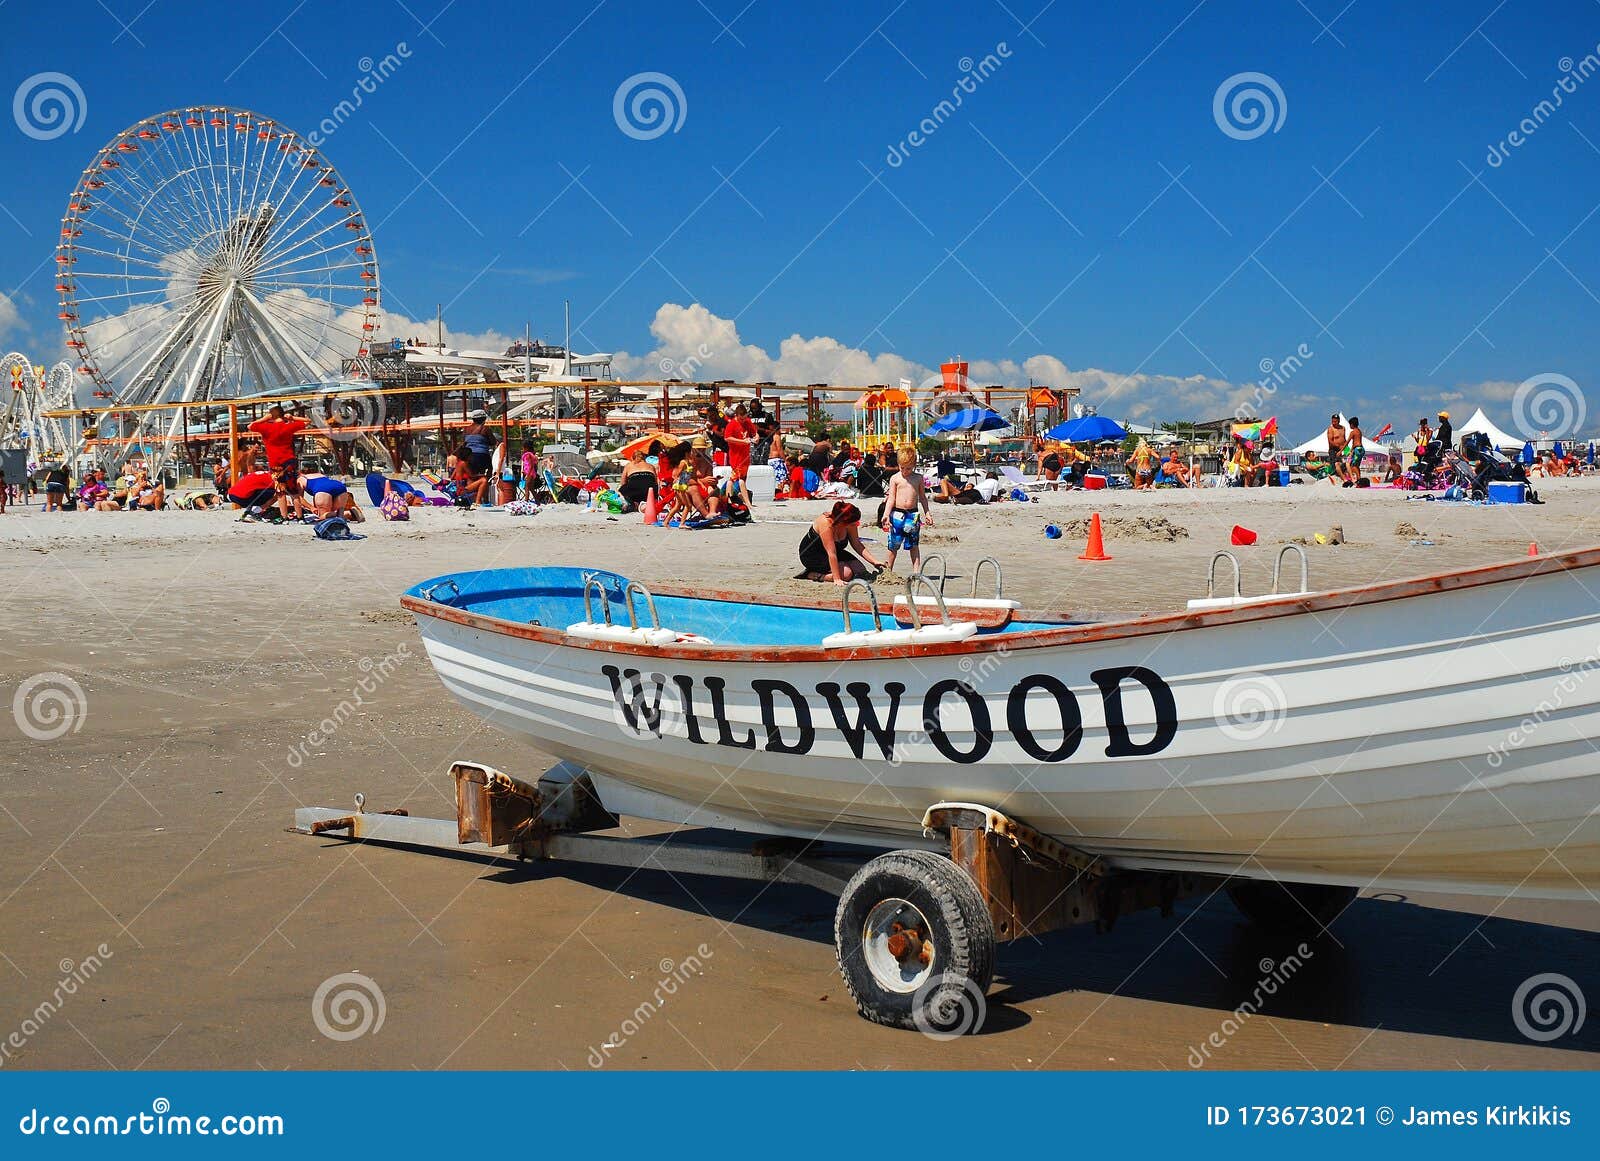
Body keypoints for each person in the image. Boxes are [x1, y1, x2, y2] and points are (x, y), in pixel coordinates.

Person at [798, 501, 884, 584]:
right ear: (842, 522)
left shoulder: (850, 522)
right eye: (854, 524)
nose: (856, 525)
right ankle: (812, 575)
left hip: (836, 552)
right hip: (812, 554)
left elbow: (856, 544)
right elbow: (831, 553)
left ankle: (835, 570)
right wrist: (837, 578)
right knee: (847, 575)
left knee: (860, 571)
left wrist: (874, 561)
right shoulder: (825, 523)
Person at [880, 447, 932, 575]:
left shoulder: (918, 478)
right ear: (898, 464)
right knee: (893, 544)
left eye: (908, 468)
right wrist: (886, 514)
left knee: (913, 544)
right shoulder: (895, 478)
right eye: (902, 467)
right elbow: (891, 498)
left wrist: (927, 513)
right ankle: (888, 571)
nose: (905, 471)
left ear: (914, 465)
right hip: (897, 513)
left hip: (913, 515)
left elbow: (923, 498)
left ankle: (916, 571)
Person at [248, 404, 309, 470]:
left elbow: (250, 426)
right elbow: (307, 421)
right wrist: (292, 418)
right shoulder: (288, 426)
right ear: (282, 415)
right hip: (289, 459)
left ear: (271, 416)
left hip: (275, 462)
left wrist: (264, 419)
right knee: (291, 479)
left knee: (276, 479)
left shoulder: (266, 427)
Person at [461, 408, 499, 485]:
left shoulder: (466, 429)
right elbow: (493, 442)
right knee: (489, 468)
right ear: (483, 419)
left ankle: (470, 492)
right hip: (482, 455)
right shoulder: (485, 429)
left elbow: (463, 443)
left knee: (471, 476)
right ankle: (486, 485)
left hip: (469, 456)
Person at [1325, 414, 1348, 484]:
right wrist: (1339, 447)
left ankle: (1343, 477)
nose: (1333, 423)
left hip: (1341, 449)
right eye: (1332, 421)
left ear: (1339, 421)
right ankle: (1343, 479)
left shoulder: (1343, 428)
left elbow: (1344, 439)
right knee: (1335, 464)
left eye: (1335, 421)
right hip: (1333, 450)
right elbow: (1330, 441)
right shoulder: (1331, 429)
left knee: (1343, 464)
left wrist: (1346, 449)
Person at [1343, 417, 1364, 488]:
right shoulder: (1359, 431)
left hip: (1357, 450)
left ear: (1352, 424)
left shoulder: (1353, 432)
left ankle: (1359, 480)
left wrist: (1341, 451)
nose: (1349, 426)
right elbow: (1355, 443)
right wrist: (1351, 450)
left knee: (1353, 466)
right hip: (1361, 449)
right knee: (1356, 466)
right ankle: (1359, 480)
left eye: (1350, 424)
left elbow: (1347, 442)